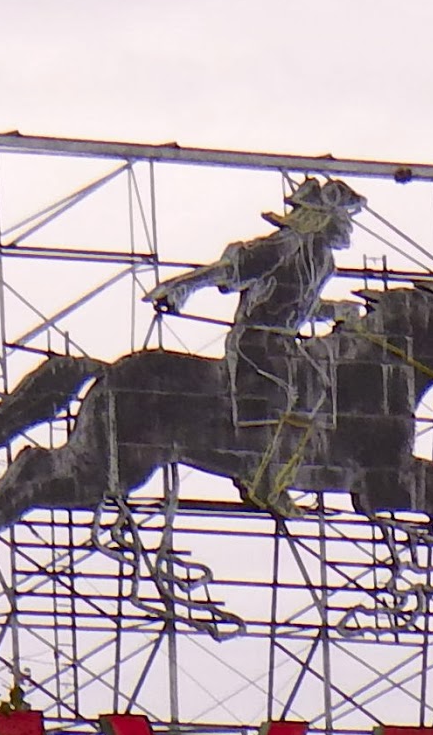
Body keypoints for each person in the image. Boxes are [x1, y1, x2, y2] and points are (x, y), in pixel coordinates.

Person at [145, 177, 366, 513]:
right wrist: (183, 286)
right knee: (281, 393)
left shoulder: (322, 260)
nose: (347, 226)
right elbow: (231, 270)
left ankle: (281, 471)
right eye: (342, 218)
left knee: (321, 388)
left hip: (287, 342)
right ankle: (259, 475)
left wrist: (335, 310)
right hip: (257, 341)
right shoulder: (284, 245)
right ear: (320, 218)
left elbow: (301, 304)